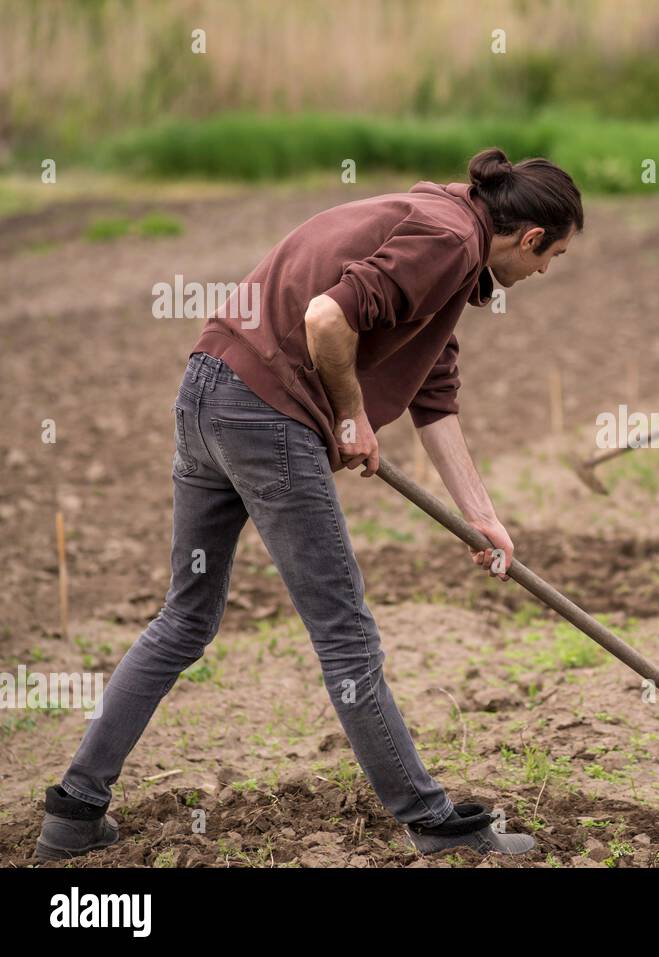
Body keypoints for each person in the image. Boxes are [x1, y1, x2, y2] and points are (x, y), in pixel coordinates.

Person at [37, 148, 582, 861]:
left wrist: (480, 515)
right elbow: (328, 318)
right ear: (530, 237)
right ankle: (432, 822)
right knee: (345, 633)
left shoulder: (442, 231)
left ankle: (74, 811)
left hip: (208, 389)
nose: (544, 273)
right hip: (267, 413)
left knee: (186, 614)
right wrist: (351, 414)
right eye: (554, 257)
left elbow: (433, 394)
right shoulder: (448, 241)